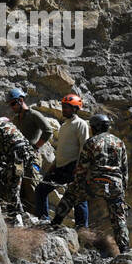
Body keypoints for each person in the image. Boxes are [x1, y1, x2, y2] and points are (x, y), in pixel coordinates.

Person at [49, 113, 128, 251]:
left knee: (70, 195)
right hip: (116, 185)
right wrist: (122, 193)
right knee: (118, 217)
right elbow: (124, 170)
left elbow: (81, 169)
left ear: (94, 127)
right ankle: (124, 248)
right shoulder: (119, 143)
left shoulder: (91, 142)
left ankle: (55, 224)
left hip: (95, 182)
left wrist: (76, 185)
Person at [34, 93, 89, 226]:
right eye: (63, 106)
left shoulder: (80, 124)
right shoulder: (64, 125)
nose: (64, 109)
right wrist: (54, 165)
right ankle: (44, 220)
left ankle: (82, 229)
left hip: (73, 167)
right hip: (60, 167)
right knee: (41, 189)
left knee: (79, 198)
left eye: (67, 107)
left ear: (75, 109)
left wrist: (80, 168)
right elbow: (62, 149)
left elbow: (84, 147)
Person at [0, 111, 40, 225]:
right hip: (26, 154)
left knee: (13, 185)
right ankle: (20, 213)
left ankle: (16, 216)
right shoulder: (7, 123)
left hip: (16, 155)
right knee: (15, 183)